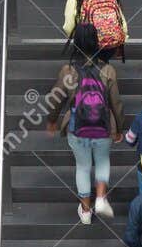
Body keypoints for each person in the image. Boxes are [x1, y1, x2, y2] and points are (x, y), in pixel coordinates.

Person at [46, 23, 122, 224]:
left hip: (77, 127)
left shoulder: (68, 71)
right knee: (103, 161)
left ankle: (86, 211)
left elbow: (55, 99)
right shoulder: (108, 70)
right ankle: (100, 198)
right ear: (97, 42)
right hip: (104, 127)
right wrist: (119, 128)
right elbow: (116, 103)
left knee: (83, 166)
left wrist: (52, 121)